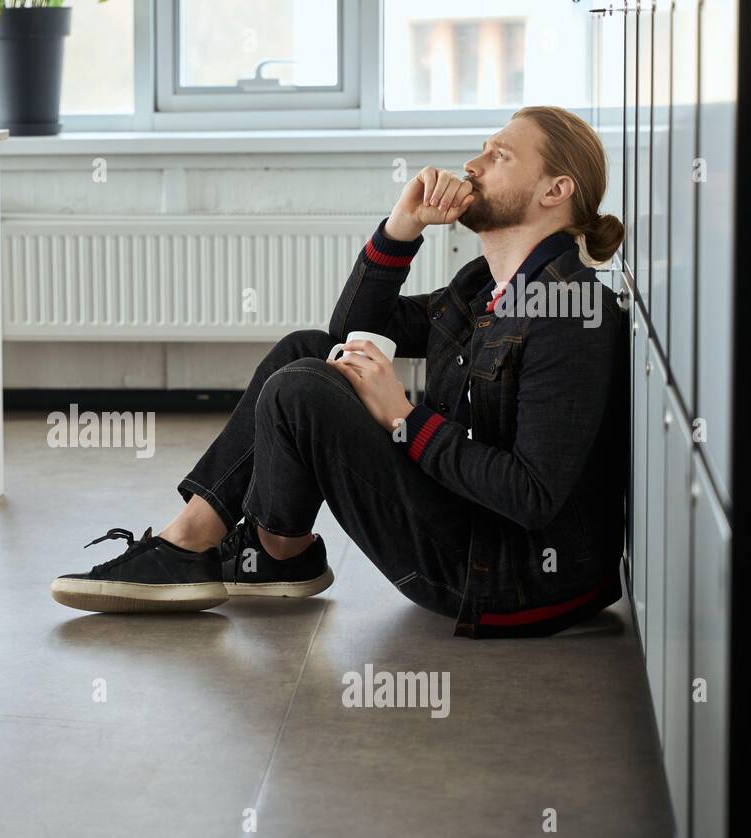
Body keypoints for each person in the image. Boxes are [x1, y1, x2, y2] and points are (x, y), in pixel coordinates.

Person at [50, 106, 629, 639]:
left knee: (302, 389)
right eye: (482, 149)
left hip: (507, 576)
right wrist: (402, 228)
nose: (472, 167)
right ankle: (235, 546)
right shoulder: (484, 288)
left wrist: (403, 418)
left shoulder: (571, 315)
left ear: (556, 189)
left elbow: (530, 496)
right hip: (471, 528)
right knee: (305, 350)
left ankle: (239, 551)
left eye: (500, 155)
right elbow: (346, 330)